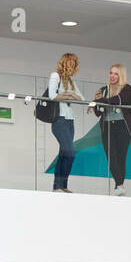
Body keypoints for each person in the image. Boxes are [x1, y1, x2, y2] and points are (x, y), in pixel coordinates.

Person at [90, 63, 131, 196]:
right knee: (111, 157)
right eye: (111, 73)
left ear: (121, 75)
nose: (112, 76)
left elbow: (119, 100)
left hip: (123, 126)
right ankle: (120, 185)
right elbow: (98, 113)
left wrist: (99, 101)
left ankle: (118, 186)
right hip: (108, 125)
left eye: (116, 73)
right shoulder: (103, 89)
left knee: (121, 157)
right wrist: (96, 103)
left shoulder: (127, 89)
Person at [47, 53, 85, 193]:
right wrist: (69, 95)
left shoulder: (70, 81)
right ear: (64, 63)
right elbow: (52, 95)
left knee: (64, 153)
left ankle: (61, 186)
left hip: (70, 120)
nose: (72, 67)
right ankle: (58, 186)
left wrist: (70, 95)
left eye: (74, 65)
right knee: (70, 153)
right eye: (70, 64)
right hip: (59, 120)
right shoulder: (55, 76)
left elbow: (81, 98)